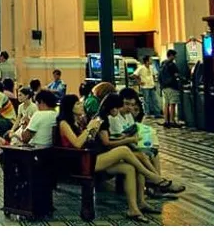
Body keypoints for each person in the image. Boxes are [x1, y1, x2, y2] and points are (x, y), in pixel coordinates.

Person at [56, 95, 162, 223]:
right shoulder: (64, 123)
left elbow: (88, 140)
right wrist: (89, 128)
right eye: (77, 104)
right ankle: (151, 175)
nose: (81, 106)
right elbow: (77, 144)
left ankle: (134, 208)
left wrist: (93, 130)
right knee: (124, 150)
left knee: (129, 168)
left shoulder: (78, 120)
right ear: (69, 107)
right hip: (79, 162)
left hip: (90, 156)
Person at [160, 50, 183, 128]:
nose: (175, 57)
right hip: (172, 86)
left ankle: (166, 121)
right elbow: (176, 74)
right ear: (171, 56)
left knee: (166, 104)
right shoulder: (172, 64)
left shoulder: (163, 63)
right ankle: (172, 121)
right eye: (174, 55)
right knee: (173, 104)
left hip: (164, 87)